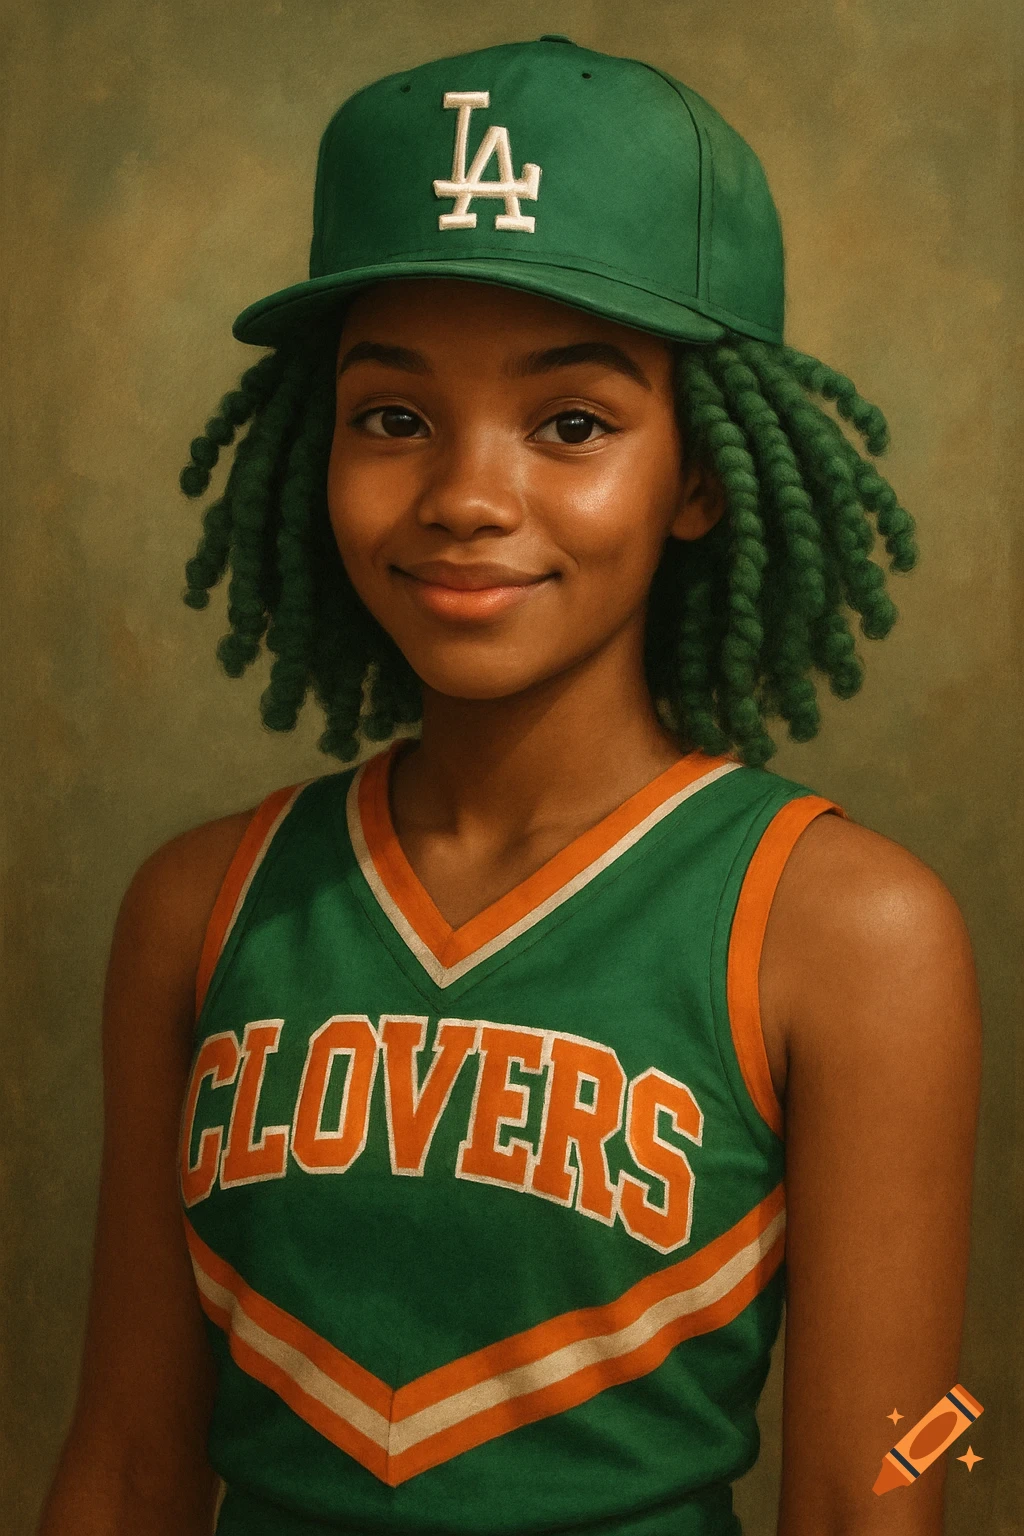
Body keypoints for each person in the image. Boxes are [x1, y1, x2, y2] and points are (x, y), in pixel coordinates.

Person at [38, 35, 981, 1536]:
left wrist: (962, 1441)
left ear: (700, 475)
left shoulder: (849, 929)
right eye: (393, 418)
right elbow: (127, 1468)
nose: (467, 497)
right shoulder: (201, 905)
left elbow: (896, 1469)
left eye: (573, 425)